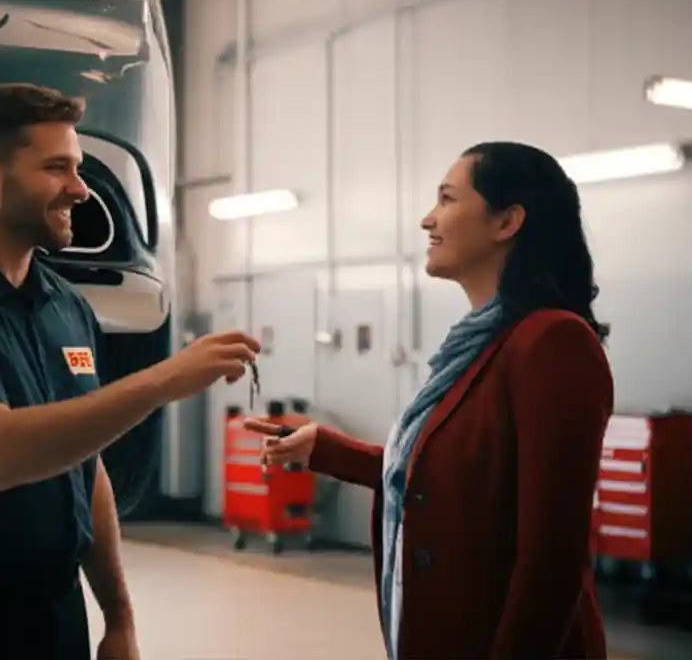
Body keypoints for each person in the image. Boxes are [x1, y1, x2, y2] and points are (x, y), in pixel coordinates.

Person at [0, 82, 260, 660]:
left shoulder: (66, 306)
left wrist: (119, 617)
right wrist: (164, 380)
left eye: (77, 168)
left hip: (56, 614)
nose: (80, 189)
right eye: (57, 168)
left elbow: (86, 465)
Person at [246, 141, 614, 660]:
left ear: (507, 222)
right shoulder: (480, 345)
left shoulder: (552, 343)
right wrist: (322, 449)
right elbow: (453, 483)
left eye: (446, 199)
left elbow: (552, 557)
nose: (427, 219)